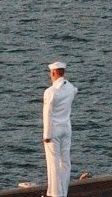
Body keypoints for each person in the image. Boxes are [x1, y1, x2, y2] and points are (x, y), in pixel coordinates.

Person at [42, 61, 77, 197]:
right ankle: (62, 191)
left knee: (54, 162)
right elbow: (75, 91)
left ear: (54, 73)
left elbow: (47, 114)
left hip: (54, 130)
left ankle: (56, 193)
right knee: (65, 161)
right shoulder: (70, 87)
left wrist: (46, 134)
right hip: (66, 127)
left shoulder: (50, 92)